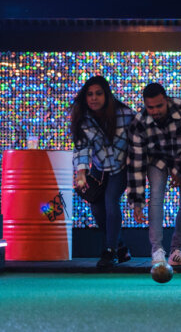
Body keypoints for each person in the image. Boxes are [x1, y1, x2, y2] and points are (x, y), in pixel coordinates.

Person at [126, 82, 181, 267]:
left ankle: (177, 250)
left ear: (167, 100)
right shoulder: (139, 123)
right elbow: (136, 162)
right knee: (156, 198)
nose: (154, 111)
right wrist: (136, 200)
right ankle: (157, 251)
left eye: (159, 106)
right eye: (150, 107)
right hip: (157, 160)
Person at [69, 76, 136, 269]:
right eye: (89, 94)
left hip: (121, 168)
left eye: (98, 93)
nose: (94, 98)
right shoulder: (83, 120)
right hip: (99, 169)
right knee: (97, 208)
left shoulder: (125, 114)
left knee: (111, 200)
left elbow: (137, 142)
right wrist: (81, 172)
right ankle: (120, 246)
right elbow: (81, 148)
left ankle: (110, 251)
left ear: (107, 95)